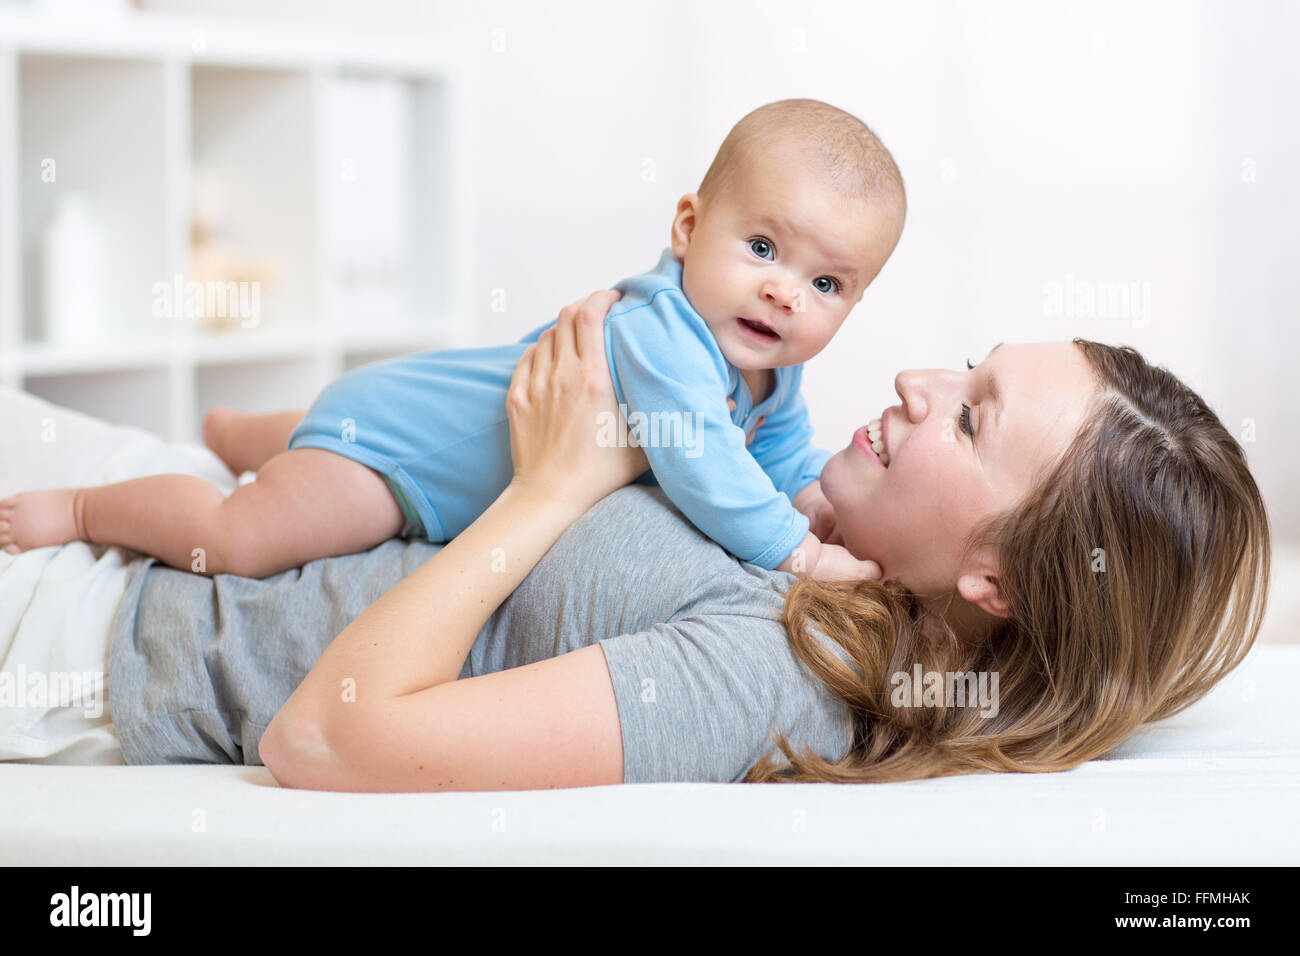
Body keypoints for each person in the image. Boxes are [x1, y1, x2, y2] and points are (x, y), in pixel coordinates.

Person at [98, 292, 1269, 789]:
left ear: (993, 582)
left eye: (971, 415)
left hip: (99, 631)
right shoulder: (799, 540)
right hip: (159, 534)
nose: (919, 380)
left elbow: (328, 736)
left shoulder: (781, 671)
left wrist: (553, 483)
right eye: (968, 363)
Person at [0, 98, 904, 582]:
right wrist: (799, 552)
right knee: (245, 539)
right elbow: (708, 469)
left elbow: (785, 465)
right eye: (761, 248)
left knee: (316, 430)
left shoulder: (768, 383)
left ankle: (243, 432)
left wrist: (823, 501)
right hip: (402, 463)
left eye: (826, 284)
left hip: (412, 403)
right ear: (686, 227)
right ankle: (86, 508)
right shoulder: (661, 333)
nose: (784, 293)